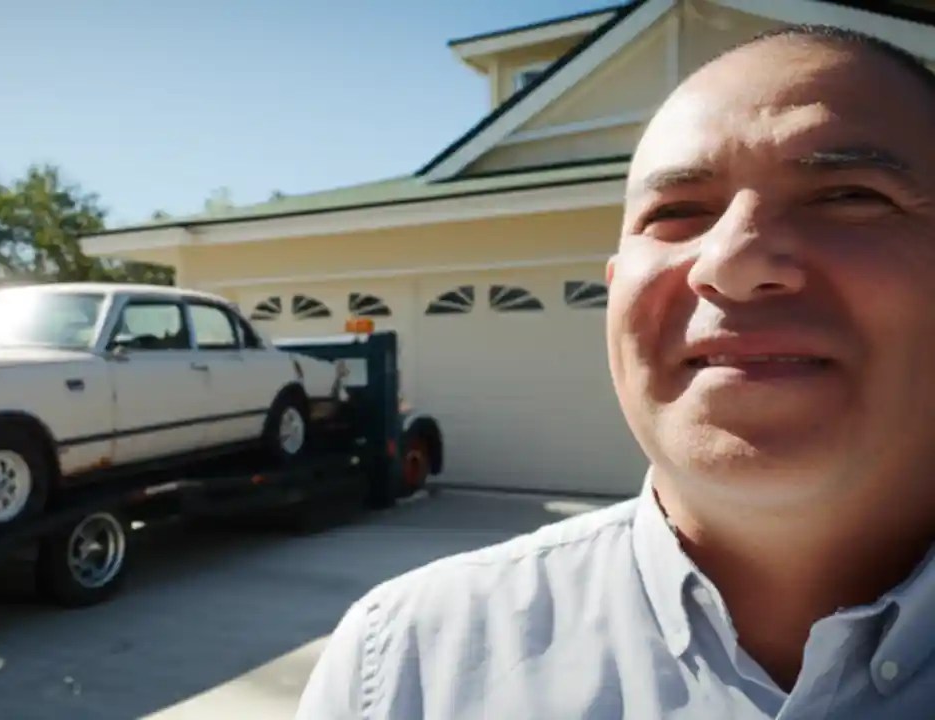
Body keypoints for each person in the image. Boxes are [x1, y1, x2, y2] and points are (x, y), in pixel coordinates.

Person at [295, 23, 935, 719]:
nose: (730, 263)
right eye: (677, 213)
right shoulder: (403, 668)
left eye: (849, 197)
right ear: (612, 289)